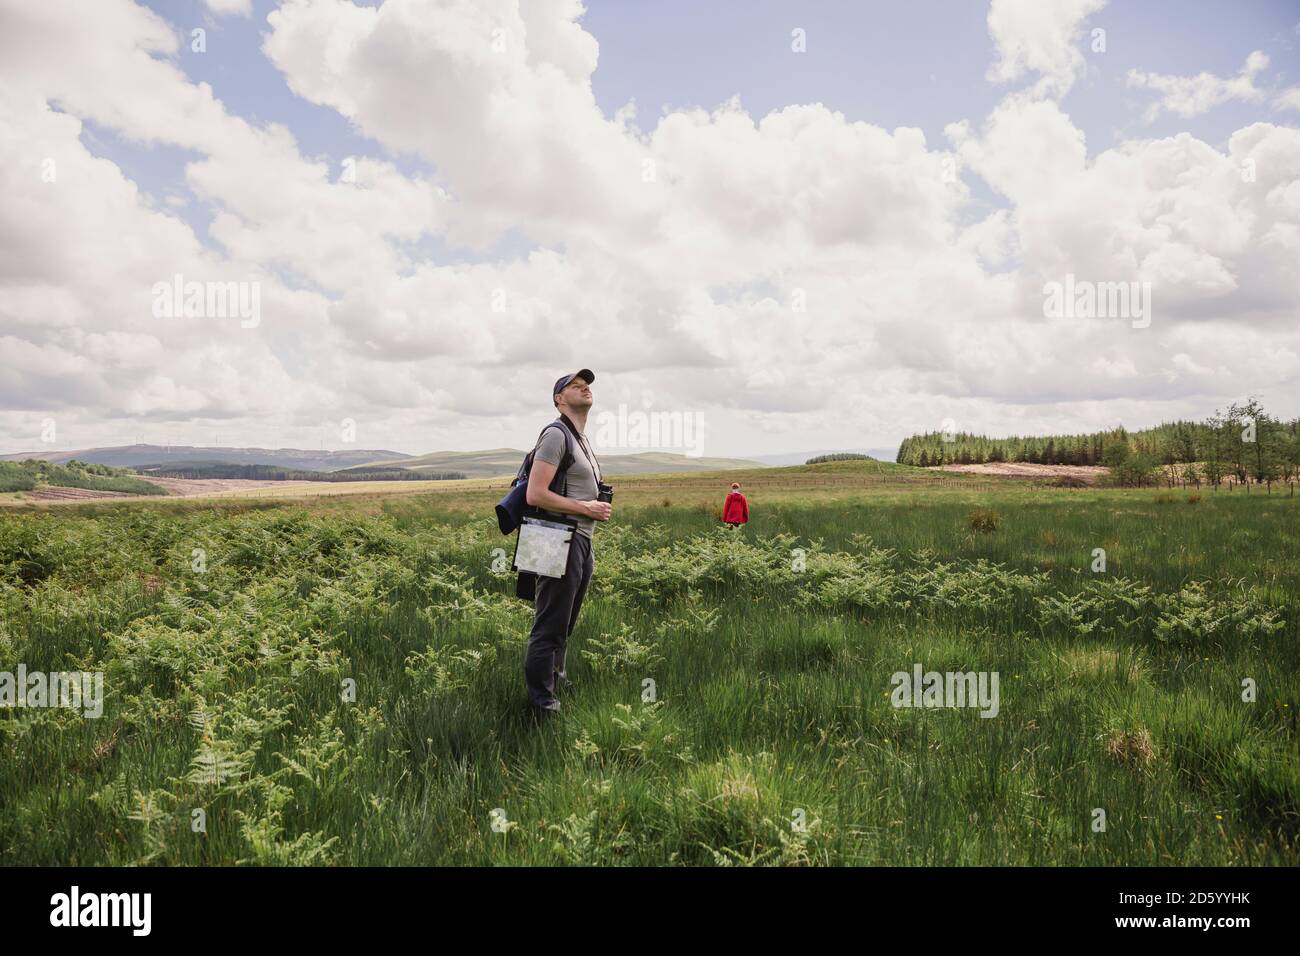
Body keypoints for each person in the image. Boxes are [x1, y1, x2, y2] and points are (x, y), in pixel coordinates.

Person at [522, 369, 610, 716]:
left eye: (586, 384)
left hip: (579, 538)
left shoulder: (581, 439)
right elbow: (535, 494)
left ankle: (557, 680)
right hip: (555, 536)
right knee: (549, 625)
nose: (584, 387)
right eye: (575, 385)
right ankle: (543, 705)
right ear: (559, 399)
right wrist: (585, 506)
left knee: (565, 622)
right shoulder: (556, 435)